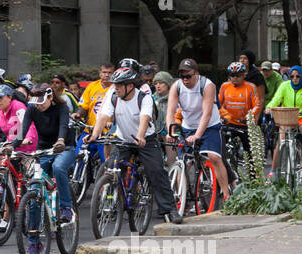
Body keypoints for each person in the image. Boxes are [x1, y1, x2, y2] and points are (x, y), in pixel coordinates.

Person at [88, 66, 181, 224]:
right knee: (112, 168)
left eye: (118, 85)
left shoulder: (144, 98)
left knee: (157, 172)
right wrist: (94, 135)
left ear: (130, 86)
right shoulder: (113, 95)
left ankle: (170, 209)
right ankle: (111, 204)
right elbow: (103, 116)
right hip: (124, 140)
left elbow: (145, 118)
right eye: (114, 85)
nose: (115, 88)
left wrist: (140, 136)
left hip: (146, 140)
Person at [0, 83, 38, 233]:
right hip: (11, 146)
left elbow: (28, 125)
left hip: (26, 146)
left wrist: (28, 139)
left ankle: (37, 213)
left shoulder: (18, 107)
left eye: (0, 97)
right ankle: (2, 181)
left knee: (32, 183)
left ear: (9, 97)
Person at [168, 59, 229, 203]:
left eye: (188, 76)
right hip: (188, 126)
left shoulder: (207, 85)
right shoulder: (176, 87)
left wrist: (197, 135)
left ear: (196, 74)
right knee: (183, 162)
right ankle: (182, 200)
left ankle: (227, 195)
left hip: (209, 126)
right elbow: (170, 111)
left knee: (214, 157)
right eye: (182, 76)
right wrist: (170, 131)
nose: (185, 80)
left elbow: (207, 114)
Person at [28, 83, 76, 224]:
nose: (38, 106)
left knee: (58, 167)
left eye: (41, 103)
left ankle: (66, 207)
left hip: (64, 148)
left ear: (50, 97)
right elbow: (22, 131)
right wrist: (12, 146)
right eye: (36, 103)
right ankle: (33, 240)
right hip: (43, 150)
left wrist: (60, 141)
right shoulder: (32, 109)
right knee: (34, 188)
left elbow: (63, 126)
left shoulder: (62, 108)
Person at [218, 62, 260, 184]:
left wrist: (249, 116)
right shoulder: (225, 86)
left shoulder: (250, 87)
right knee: (222, 149)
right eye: (232, 75)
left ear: (243, 75)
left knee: (250, 151)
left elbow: (257, 104)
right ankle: (226, 175)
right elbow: (218, 103)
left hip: (244, 124)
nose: (235, 78)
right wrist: (223, 115)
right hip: (229, 123)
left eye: (238, 75)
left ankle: (253, 178)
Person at [265, 64, 302, 180]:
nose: (295, 78)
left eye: (298, 76)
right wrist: (269, 107)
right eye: (292, 76)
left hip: (301, 117)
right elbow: (276, 99)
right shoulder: (284, 86)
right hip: (287, 117)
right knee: (281, 142)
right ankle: (273, 171)